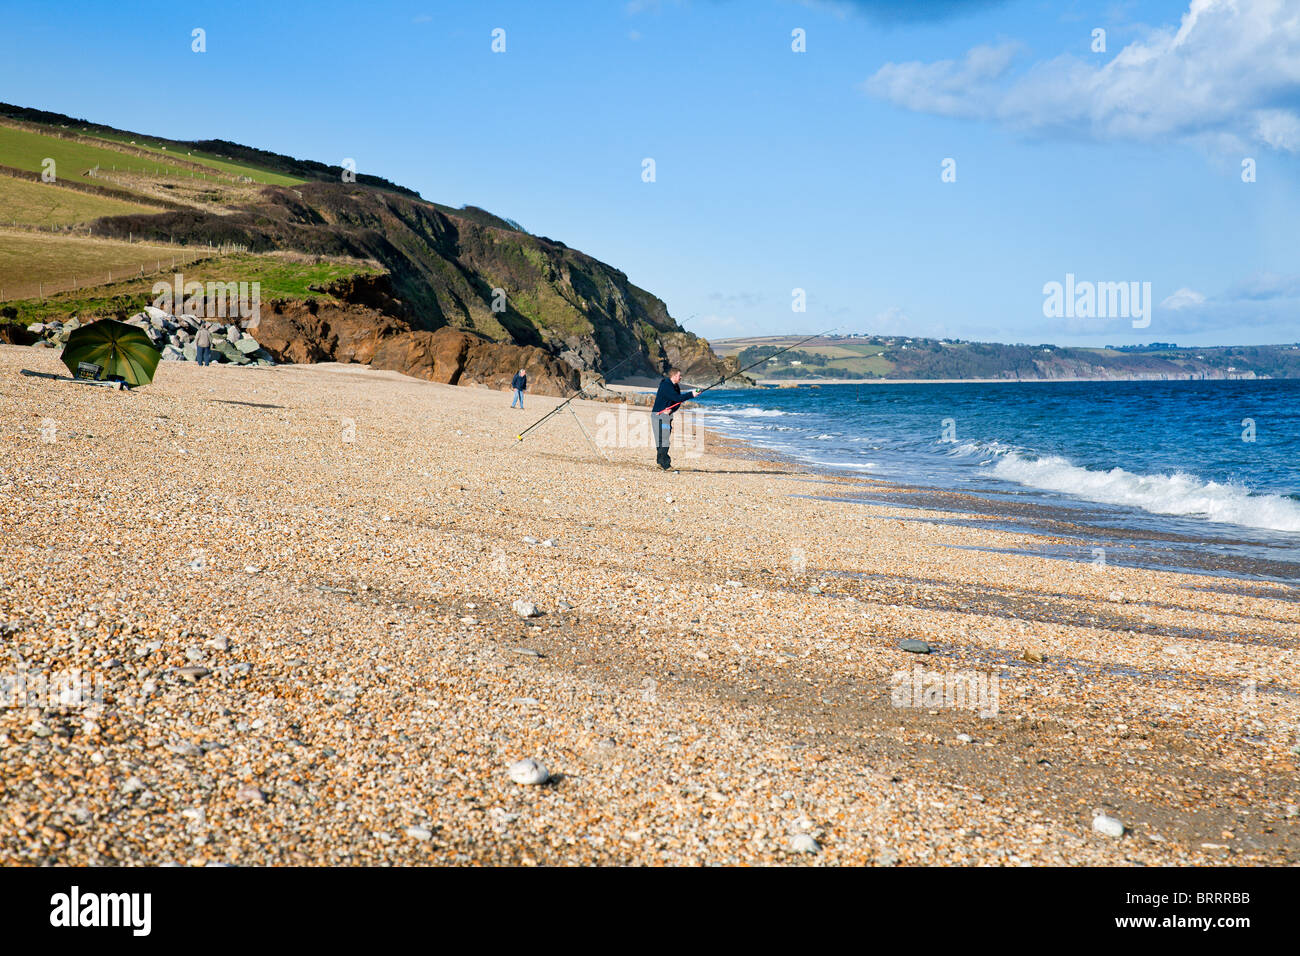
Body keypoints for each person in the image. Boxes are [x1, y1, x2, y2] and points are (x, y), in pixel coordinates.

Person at [651, 367, 698, 470]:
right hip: (657, 415)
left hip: (666, 416)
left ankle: (660, 463)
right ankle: (665, 465)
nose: (681, 377)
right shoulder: (666, 385)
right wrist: (691, 394)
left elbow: (677, 403)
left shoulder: (675, 386)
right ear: (673, 376)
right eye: (679, 375)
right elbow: (677, 398)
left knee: (664, 439)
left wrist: (671, 411)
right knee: (663, 440)